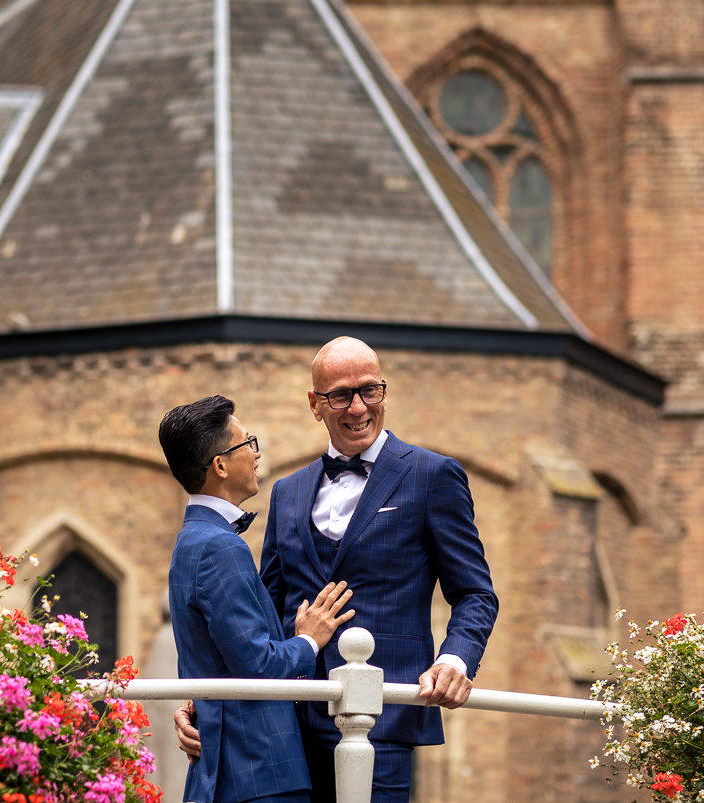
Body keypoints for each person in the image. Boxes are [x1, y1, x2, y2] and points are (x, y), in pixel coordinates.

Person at [177, 338, 498, 803]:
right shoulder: (286, 491)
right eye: (341, 395)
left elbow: (475, 593)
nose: (358, 407)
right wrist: (207, 698)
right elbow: (262, 614)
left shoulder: (433, 476)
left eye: (371, 391)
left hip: (383, 716)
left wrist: (455, 660)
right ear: (315, 404)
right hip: (285, 728)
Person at [160, 395, 358, 803]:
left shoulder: (191, 540)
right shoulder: (219, 546)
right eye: (248, 443)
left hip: (229, 769)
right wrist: (310, 638)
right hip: (258, 772)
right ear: (220, 465)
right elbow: (258, 665)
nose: (256, 453)